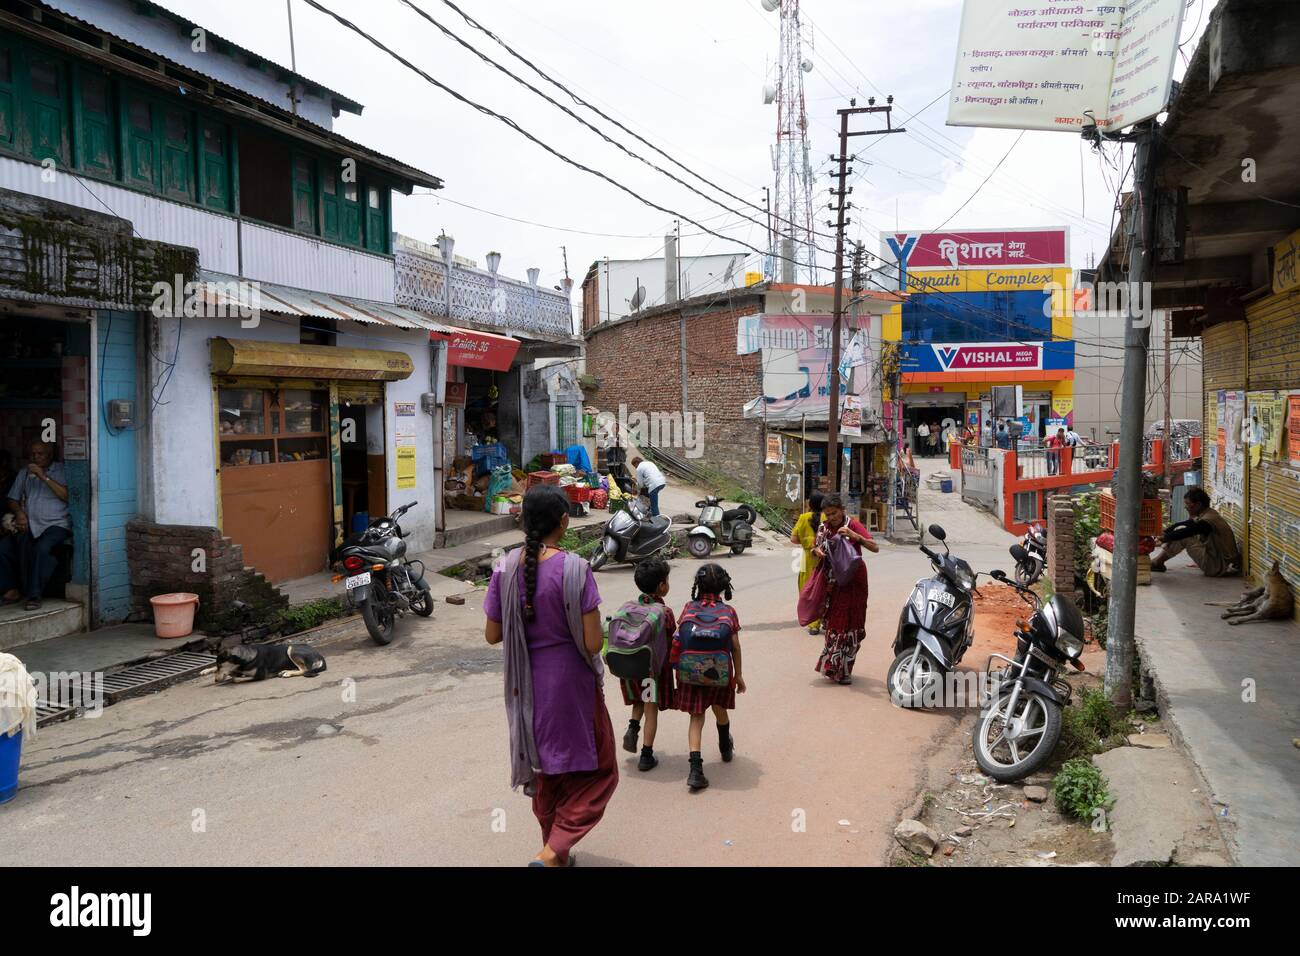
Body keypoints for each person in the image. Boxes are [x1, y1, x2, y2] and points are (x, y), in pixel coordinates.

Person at [484, 485, 615, 866]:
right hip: (572, 690)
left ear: (523, 521)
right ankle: (553, 851)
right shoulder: (576, 568)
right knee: (599, 772)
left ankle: (555, 853)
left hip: (524, 689)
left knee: (546, 775)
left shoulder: (504, 567)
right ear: (564, 521)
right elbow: (593, 644)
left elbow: (493, 634)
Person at [671, 563, 744, 792]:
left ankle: (695, 770)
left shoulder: (688, 607)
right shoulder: (728, 611)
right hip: (719, 674)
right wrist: (739, 675)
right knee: (719, 710)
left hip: (690, 674)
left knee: (696, 718)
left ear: (698, 585)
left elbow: (679, 638)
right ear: (724, 586)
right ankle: (725, 745)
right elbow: (735, 647)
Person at [810, 493, 878, 685]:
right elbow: (815, 548)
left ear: (842, 510)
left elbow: (875, 547)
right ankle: (832, 666)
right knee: (834, 624)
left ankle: (846, 670)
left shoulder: (853, 525)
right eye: (828, 514)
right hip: (834, 582)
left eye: (834, 513)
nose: (831, 517)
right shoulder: (823, 528)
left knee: (853, 625)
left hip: (855, 581)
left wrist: (855, 536)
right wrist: (816, 551)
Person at [618, 556, 676, 772]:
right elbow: (670, 642)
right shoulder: (665, 612)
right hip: (651, 671)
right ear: (662, 586)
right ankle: (646, 755)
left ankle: (633, 727)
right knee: (651, 708)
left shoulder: (629, 607)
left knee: (638, 701)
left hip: (630, 668)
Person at [0, 441, 71, 611]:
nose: (35, 457)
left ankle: (34, 596)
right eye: (33, 454)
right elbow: (12, 499)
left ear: (50, 455)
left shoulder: (61, 470)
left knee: (41, 549)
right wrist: (19, 513)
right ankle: (11, 590)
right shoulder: (24, 473)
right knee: (3, 547)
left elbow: (67, 496)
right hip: (30, 524)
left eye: (40, 454)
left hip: (56, 524)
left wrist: (43, 476)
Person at [1150, 487, 1241, 577]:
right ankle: (1158, 561)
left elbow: (1188, 532)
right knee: (1180, 530)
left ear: (1198, 505)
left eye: (1188, 504)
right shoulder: (1208, 513)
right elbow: (1187, 523)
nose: (1185, 507)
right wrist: (1165, 532)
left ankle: (1157, 562)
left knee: (1183, 536)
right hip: (1218, 562)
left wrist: (1164, 538)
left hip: (1216, 567)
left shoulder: (1207, 521)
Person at [789, 491, 825, 635]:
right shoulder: (827, 517)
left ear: (810, 504)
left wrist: (806, 543)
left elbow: (793, 539)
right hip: (824, 557)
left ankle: (813, 624)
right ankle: (824, 620)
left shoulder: (803, 518)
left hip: (806, 558)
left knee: (807, 589)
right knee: (823, 588)